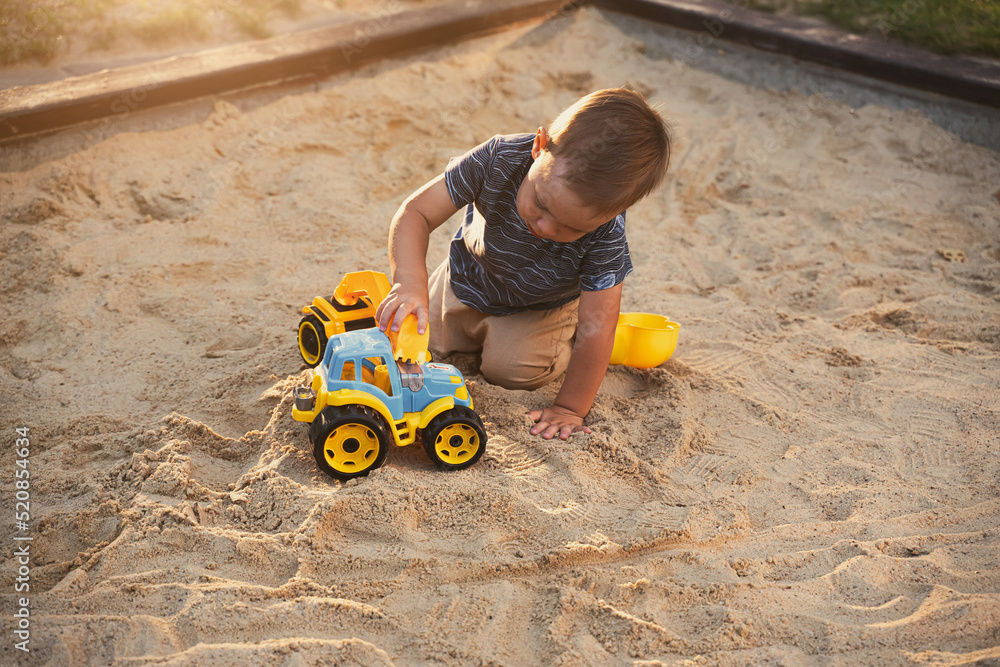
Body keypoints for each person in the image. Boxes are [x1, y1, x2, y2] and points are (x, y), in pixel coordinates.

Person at [375, 88, 671, 440]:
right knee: (411, 338)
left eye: (572, 228)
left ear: (611, 213)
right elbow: (416, 212)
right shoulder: (498, 157)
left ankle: (566, 336)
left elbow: (597, 326)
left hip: (538, 308)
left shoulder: (606, 232)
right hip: (470, 275)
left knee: (510, 372)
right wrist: (409, 283)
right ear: (539, 147)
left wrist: (570, 408)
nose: (546, 227)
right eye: (541, 203)